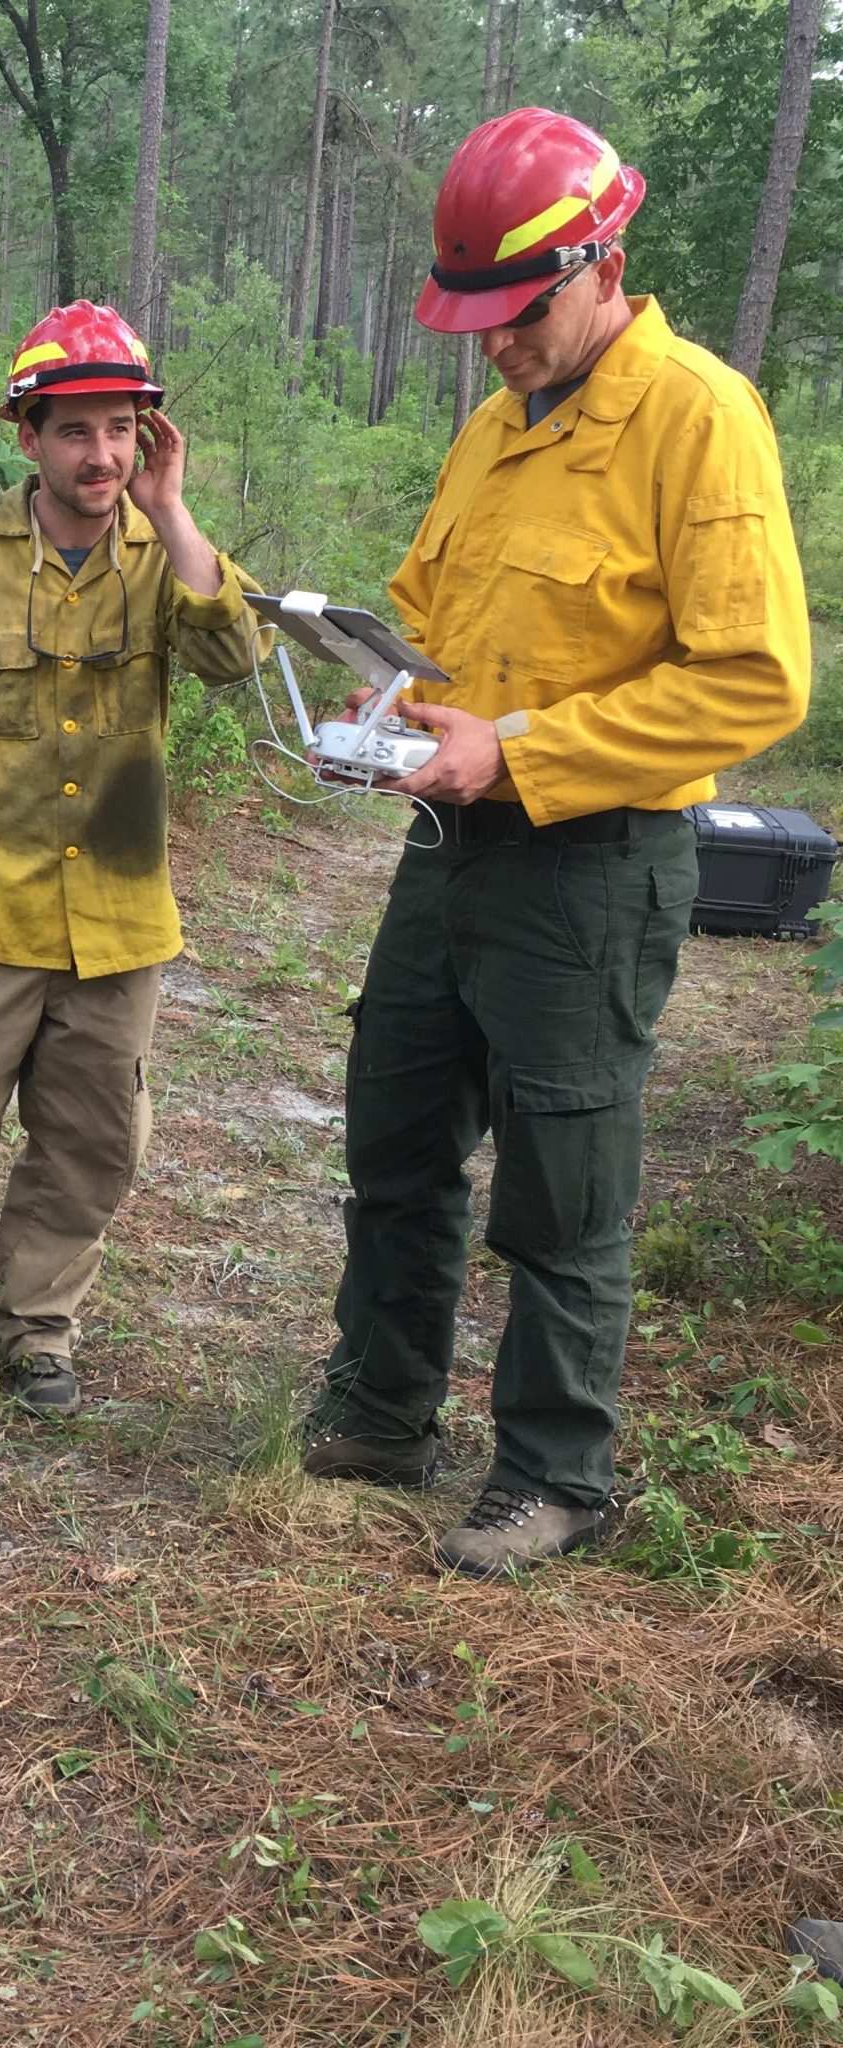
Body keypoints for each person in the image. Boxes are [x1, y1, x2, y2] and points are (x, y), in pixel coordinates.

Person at [302, 108, 811, 1573]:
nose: (494, 345)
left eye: (516, 315)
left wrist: (518, 753)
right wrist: (384, 693)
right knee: (397, 1138)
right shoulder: (496, 421)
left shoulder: (697, 417)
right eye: (471, 320)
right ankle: (383, 1410)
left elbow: (754, 677)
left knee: (563, 1186)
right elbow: (431, 606)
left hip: (589, 869)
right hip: (443, 853)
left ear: (602, 261)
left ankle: (554, 1476)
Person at [0, 302, 265, 1419]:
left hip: (117, 917)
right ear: (27, 435)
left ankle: (36, 1330)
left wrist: (172, 517)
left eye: (120, 430)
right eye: (74, 430)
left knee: (89, 1141)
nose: (100, 454)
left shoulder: (167, 552)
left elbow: (231, 655)